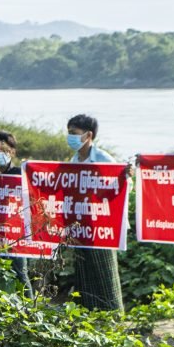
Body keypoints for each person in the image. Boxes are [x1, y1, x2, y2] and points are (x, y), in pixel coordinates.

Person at [63, 114, 123, 312]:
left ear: (88, 135)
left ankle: (112, 312)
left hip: (102, 224)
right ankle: (88, 311)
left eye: (74, 133)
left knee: (104, 269)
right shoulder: (73, 161)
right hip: (82, 224)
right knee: (84, 269)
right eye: (69, 133)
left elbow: (119, 190)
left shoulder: (104, 159)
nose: (70, 137)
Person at [0, 130, 32, 294]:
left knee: (20, 275)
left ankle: (29, 312)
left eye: (3, 150)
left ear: (12, 152)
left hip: (14, 235)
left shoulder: (20, 174)